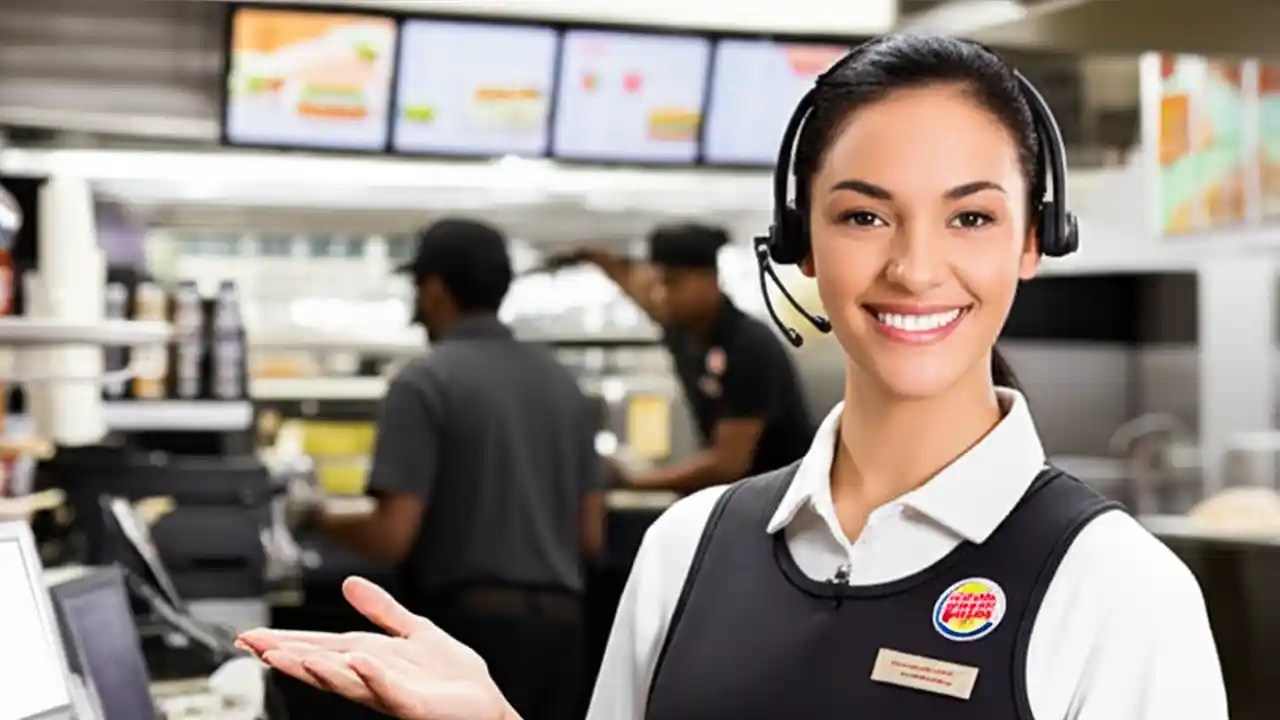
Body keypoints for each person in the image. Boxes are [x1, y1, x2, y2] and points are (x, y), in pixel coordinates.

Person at [238, 35, 1228, 720]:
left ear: (1031, 243)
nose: (914, 267)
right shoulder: (687, 551)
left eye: (968, 217)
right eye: (862, 215)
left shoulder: (1117, 591)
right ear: (802, 245)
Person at [291, 218, 607, 720]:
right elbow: (590, 536)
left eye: (417, 286)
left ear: (436, 290)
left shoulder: (423, 382)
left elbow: (393, 535)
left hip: (468, 637)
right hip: (564, 637)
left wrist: (313, 517)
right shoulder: (563, 383)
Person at [569, 223, 814, 492]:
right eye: (658, 283)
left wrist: (633, 482)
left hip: (777, 500)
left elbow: (729, 463)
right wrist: (596, 259)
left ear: (710, 279)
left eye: (672, 283)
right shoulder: (686, 331)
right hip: (739, 497)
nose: (661, 295)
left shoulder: (748, 346)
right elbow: (638, 292)